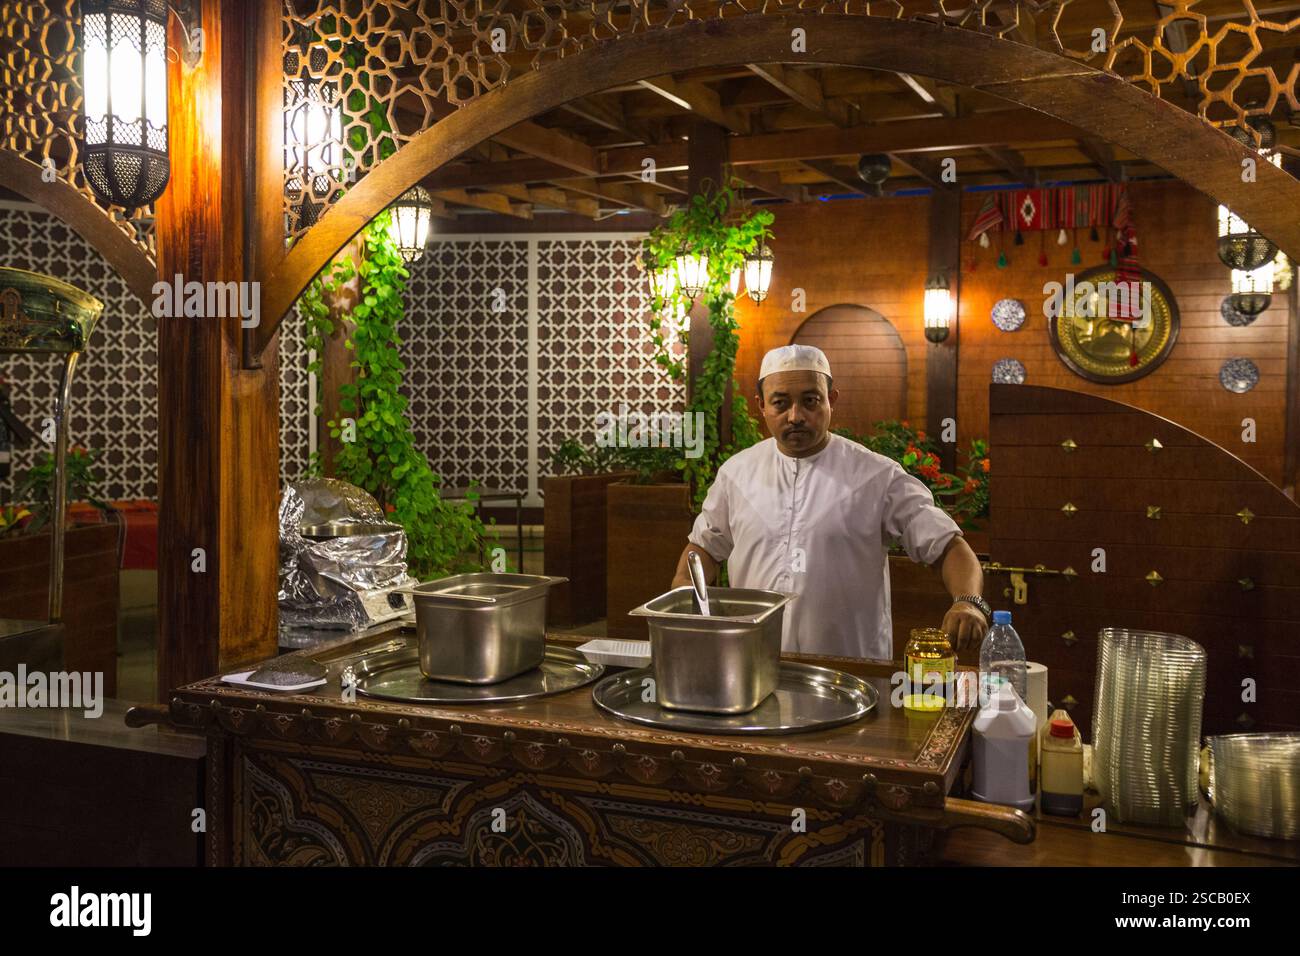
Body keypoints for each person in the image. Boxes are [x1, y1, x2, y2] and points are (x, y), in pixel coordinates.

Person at [671, 344, 990, 659]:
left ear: (831, 400)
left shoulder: (876, 476)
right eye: (780, 403)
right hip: (755, 666)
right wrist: (683, 591)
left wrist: (968, 601)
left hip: (852, 671)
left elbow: (949, 546)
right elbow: (703, 549)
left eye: (810, 401)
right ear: (761, 406)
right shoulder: (736, 474)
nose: (795, 416)